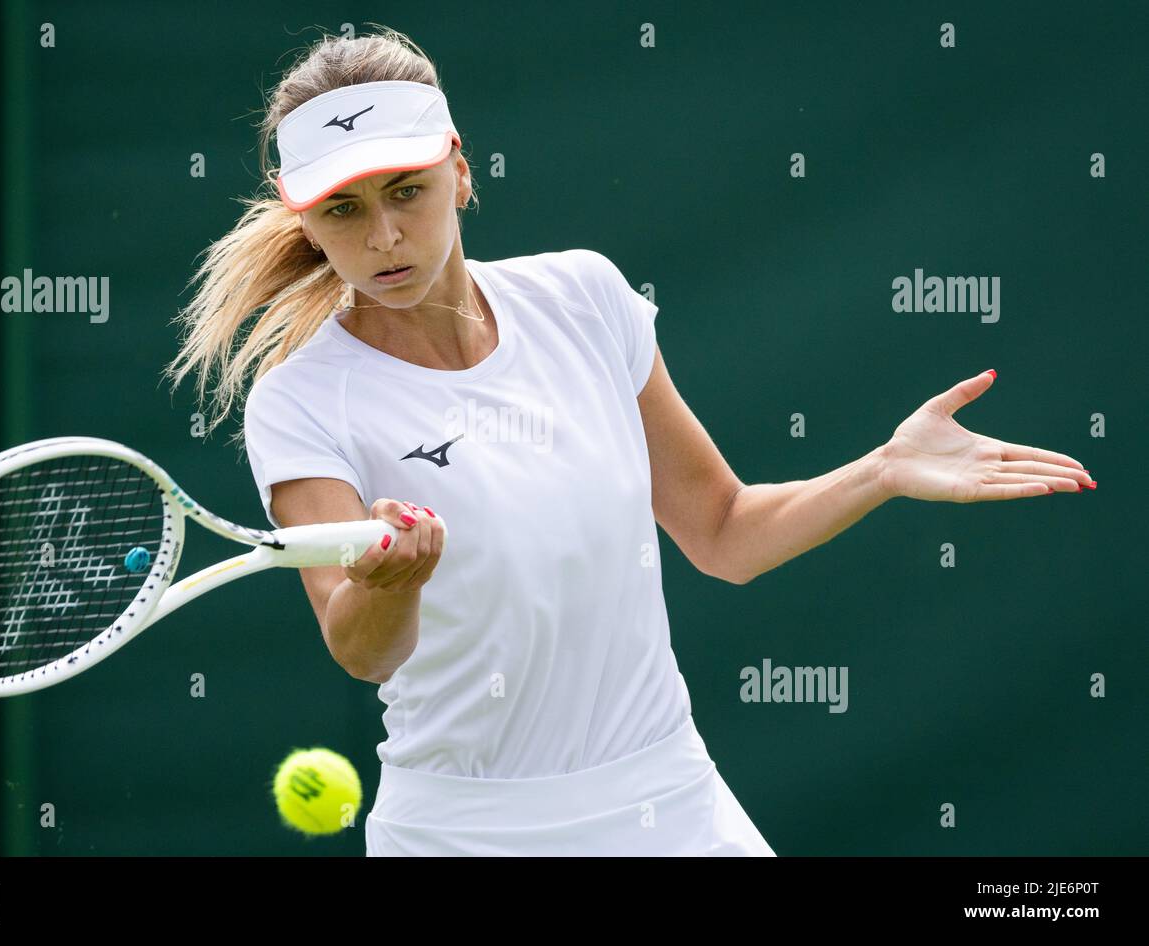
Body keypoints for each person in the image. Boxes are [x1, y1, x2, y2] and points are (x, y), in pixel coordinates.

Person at [165, 29, 1094, 856]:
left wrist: (884, 469)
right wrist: (389, 585)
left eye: (406, 191)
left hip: (669, 801)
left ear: (458, 167)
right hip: (461, 831)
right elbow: (363, 651)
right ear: (305, 220)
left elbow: (724, 532)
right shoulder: (299, 404)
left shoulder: (586, 297)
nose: (384, 235)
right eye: (343, 212)